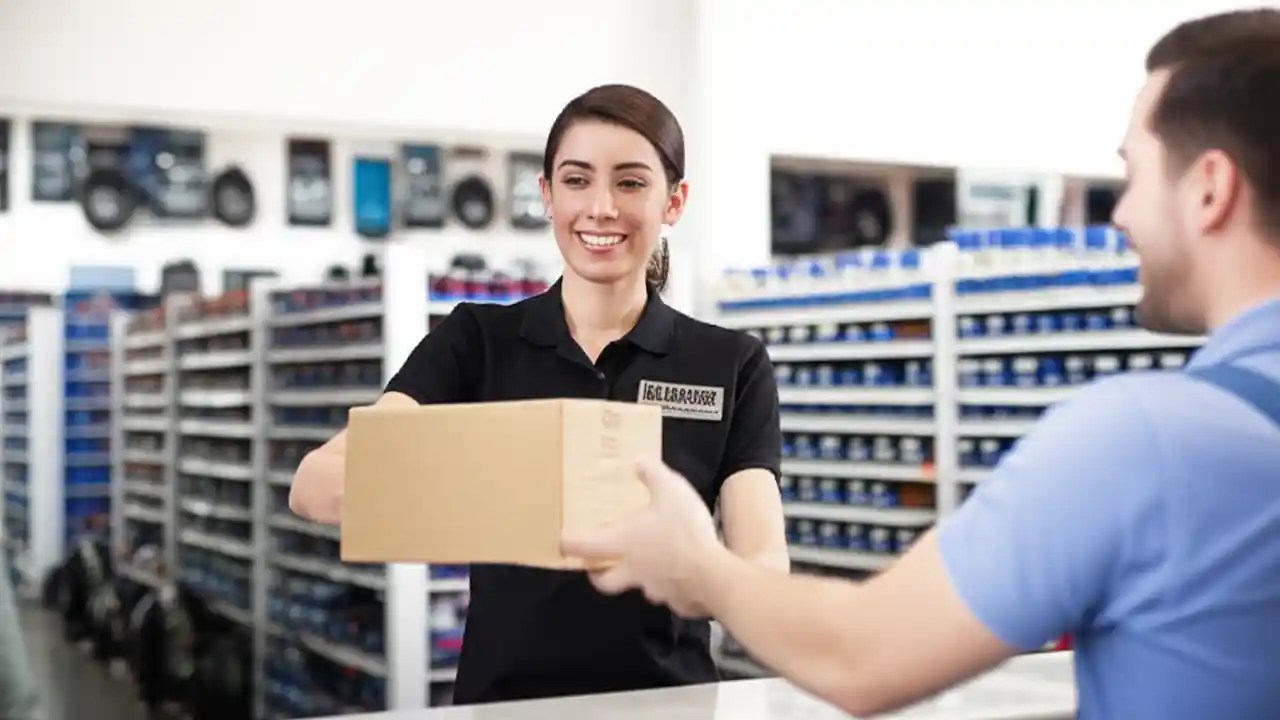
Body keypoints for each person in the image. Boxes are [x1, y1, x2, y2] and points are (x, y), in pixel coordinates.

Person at [563, 9, 1280, 719]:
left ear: (1209, 189)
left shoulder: (1150, 441)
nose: (1119, 214)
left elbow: (860, 656)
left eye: (1135, 174)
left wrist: (695, 561)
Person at [288, 84, 790, 704]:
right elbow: (313, 486)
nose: (601, 207)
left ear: (674, 201)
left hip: (667, 706)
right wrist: (509, 487)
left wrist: (695, 569)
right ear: (548, 196)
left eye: (631, 183)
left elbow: (765, 570)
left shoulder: (730, 363)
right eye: (577, 180)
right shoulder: (478, 341)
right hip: (503, 707)